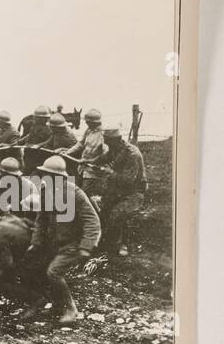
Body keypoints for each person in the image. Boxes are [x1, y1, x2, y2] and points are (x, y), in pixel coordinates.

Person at [27, 155, 102, 323]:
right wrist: (36, 242)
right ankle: (57, 304)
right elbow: (41, 219)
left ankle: (71, 308)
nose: (47, 178)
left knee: (53, 273)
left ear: (60, 177)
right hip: (53, 243)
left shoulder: (75, 193)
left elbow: (92, 221)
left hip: (72, 244)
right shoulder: (46, 192)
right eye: (45, 174)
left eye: (51, 175)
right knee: (41, 270)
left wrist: (86, 247)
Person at [88, 128, 146, 257]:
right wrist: (89, 161)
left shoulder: (132, 154)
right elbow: (104, 157)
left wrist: (109, 173)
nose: (105, 143)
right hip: (118, 190)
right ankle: (103, 241)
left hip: (133, 193)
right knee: (103, 213)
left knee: (118, 213)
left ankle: (123, 244)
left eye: (107, 140)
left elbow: (128, 180)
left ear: (116, 140)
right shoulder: (115, 149)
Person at [66, 107, 108, 195]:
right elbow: (81, 144)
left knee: (84, 194)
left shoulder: (103, 134)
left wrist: (90, 161)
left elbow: (105, 155)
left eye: (88, 121)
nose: (85, 122)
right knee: (76, 191)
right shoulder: (88, 130)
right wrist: (68, 152)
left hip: (93, 171)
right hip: (82, 168)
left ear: (94, 122)